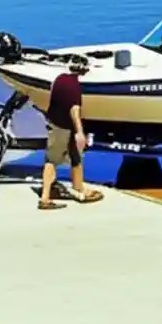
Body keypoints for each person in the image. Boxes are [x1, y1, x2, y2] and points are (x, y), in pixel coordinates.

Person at [39, 58, 104, 210]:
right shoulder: (74, 86)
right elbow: (74, 110)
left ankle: (79, 188)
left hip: (56, 122)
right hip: (61, 126)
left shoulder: (60, 79)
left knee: (76, 156)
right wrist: (80, 132)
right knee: (52, 160)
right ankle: (45, 198)